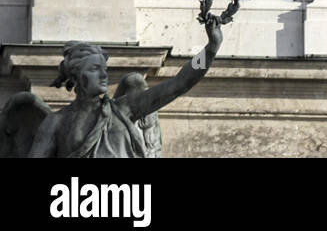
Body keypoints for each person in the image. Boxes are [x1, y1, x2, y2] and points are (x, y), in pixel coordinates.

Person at [28, 19, 222, 158]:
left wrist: (210, 49)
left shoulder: (124, 108)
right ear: (77, 75)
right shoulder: (56, 123)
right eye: (95, 69)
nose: (104, 75)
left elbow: (180, 83)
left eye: (104, 69)